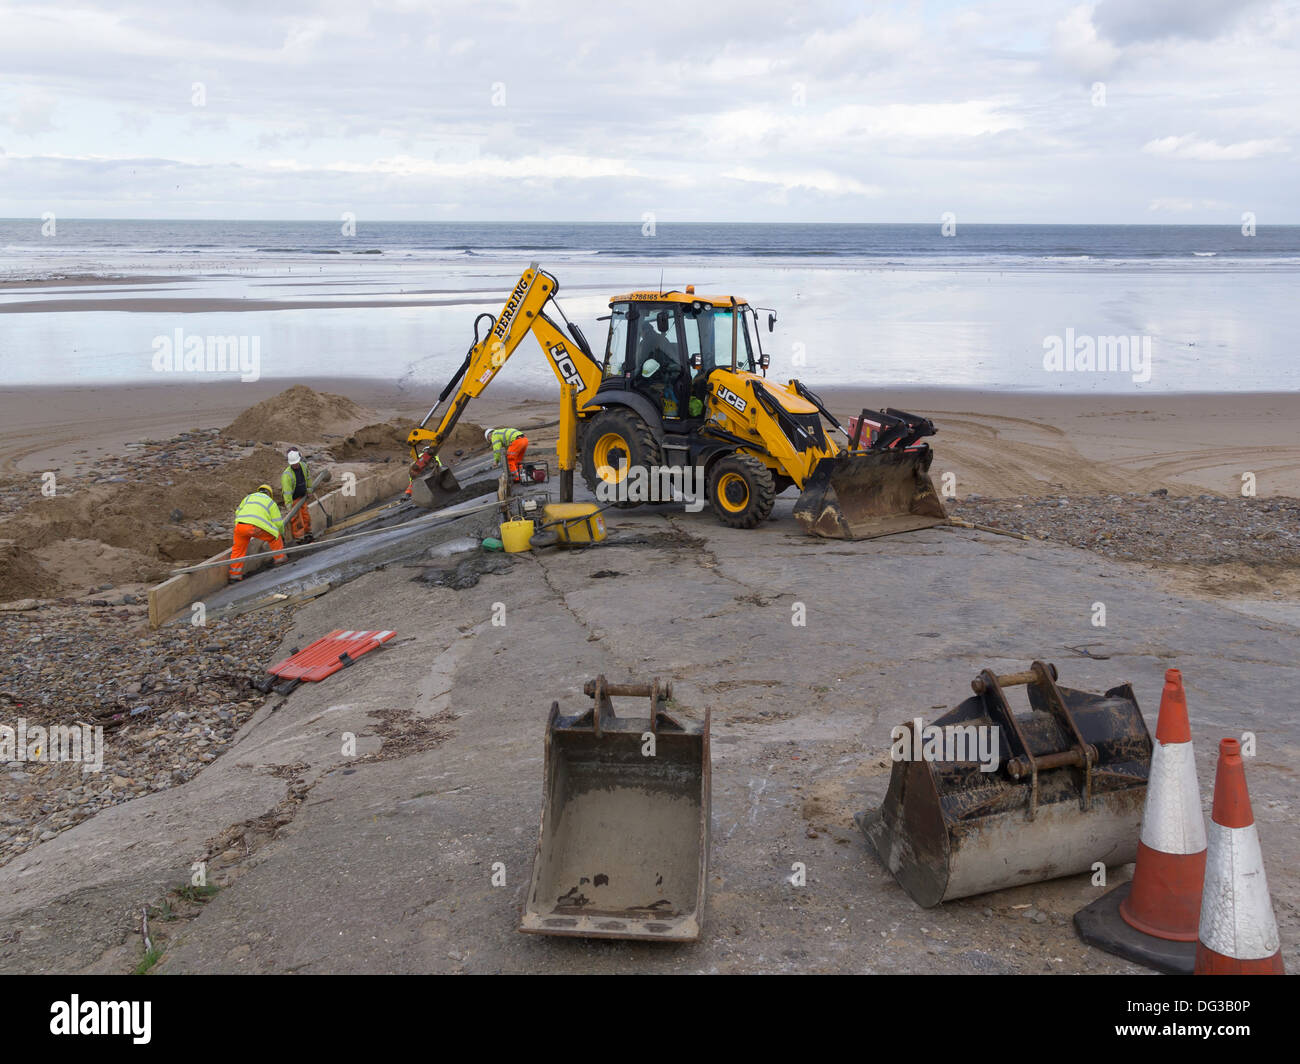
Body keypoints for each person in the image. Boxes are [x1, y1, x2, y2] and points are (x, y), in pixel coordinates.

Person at [229, 484, 287, 581]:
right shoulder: (270, 502)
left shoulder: (248, 497)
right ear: (269, 494)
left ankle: (234, 575)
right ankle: (280, 558)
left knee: (238, 550)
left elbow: (237, 512)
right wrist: (280, 533)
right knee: (274, 537)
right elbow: (278, 522)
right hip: (255, 527)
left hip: (240, 526)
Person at [280, 448, 314, 543]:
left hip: (302, 496)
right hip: (294, 499)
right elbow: (287, 492)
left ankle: (308, 534)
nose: (295, 465)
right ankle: (299, 538)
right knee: (296, 519)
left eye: (296, 463)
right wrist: (289, 505)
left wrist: (309, 489)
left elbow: (307, 478)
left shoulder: (303, 466)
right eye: (293, 464)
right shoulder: (287, 475)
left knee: (305, 515)